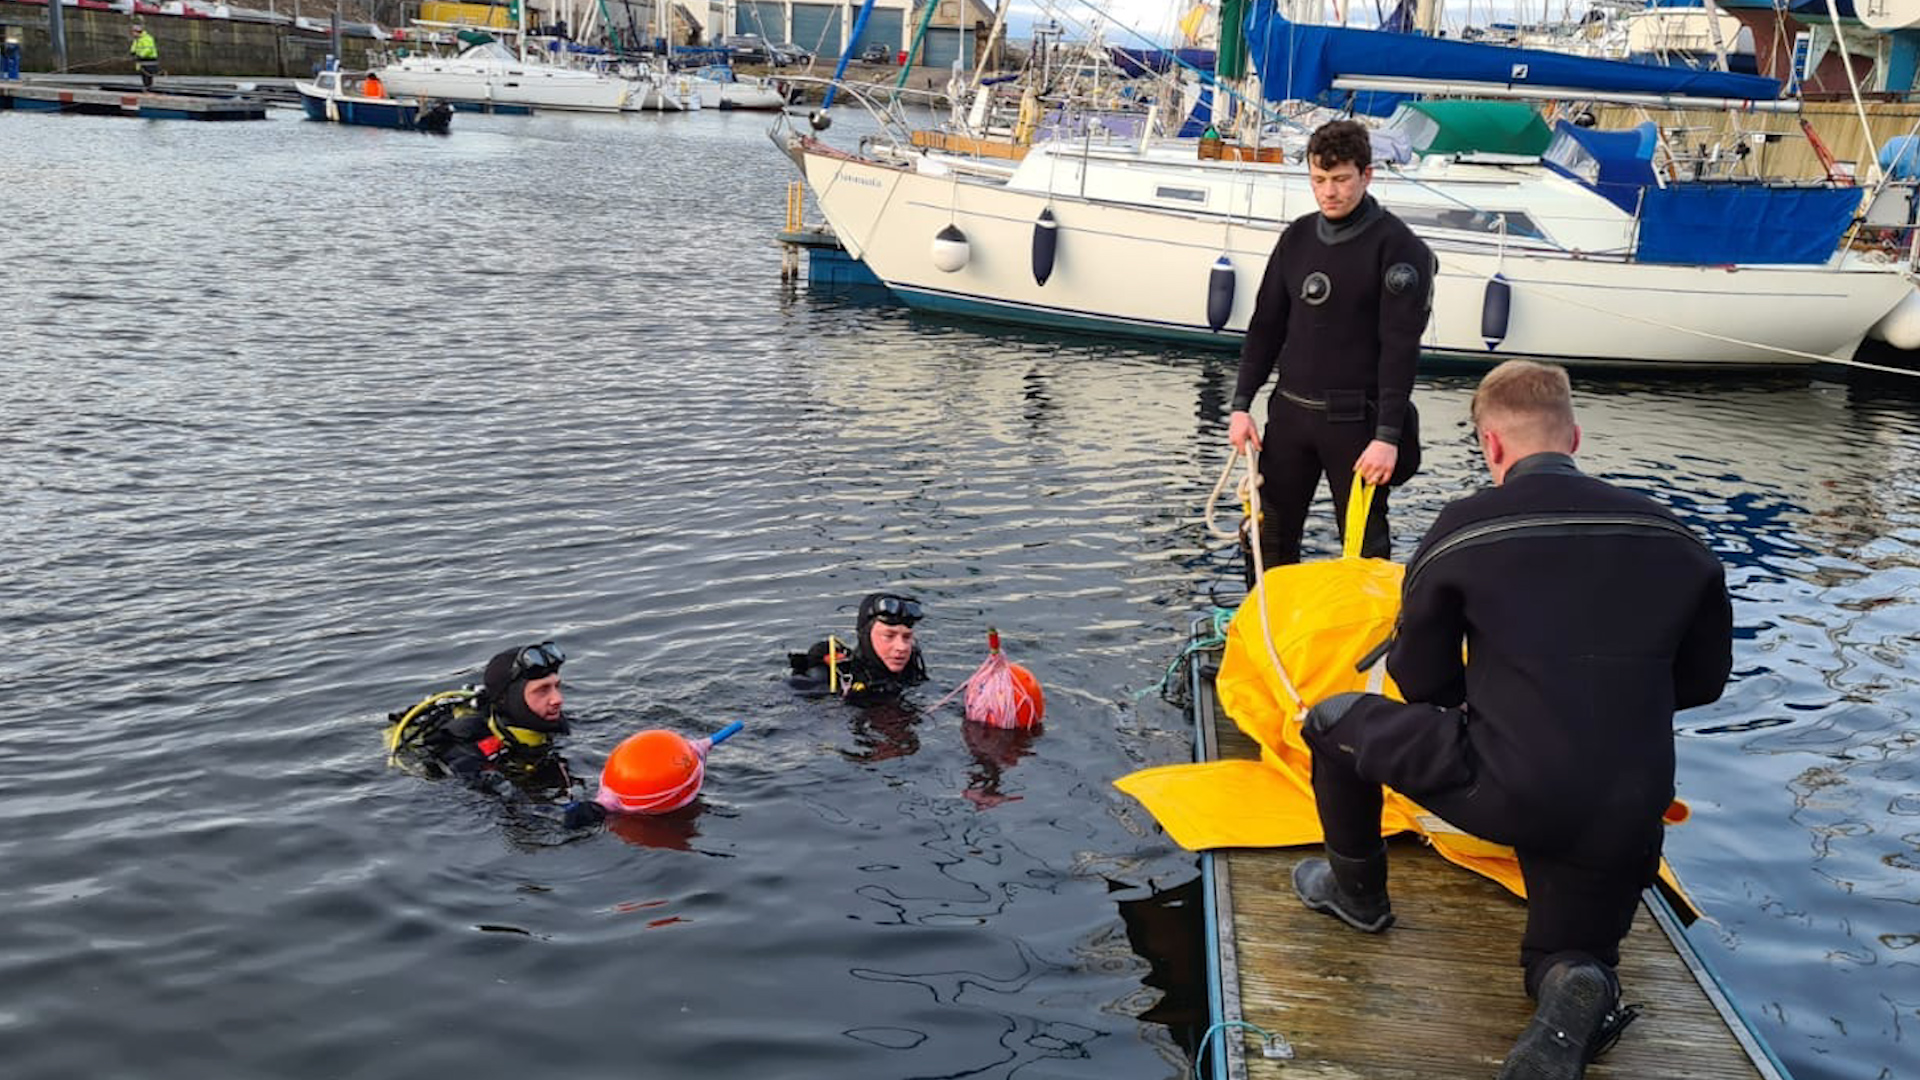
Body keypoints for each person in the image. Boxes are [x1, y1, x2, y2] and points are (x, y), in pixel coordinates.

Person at [1290, 360, 1734, 1080]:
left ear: (1491, 446)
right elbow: (1703, 683)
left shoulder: (1466, 527)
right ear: (1576, 437)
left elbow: (1419, 682)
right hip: (1628, 806)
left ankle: (1357, 894)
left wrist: (1498, 701)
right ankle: (1574, 984)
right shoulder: (1679, 538)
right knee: (1564, 954)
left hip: (1508, 786)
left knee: (1334, 723)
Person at [1227, 119, 1435, 568]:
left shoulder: (1399, 249)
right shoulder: (1297, 238)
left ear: (1367, 175)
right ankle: (1268, 630)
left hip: (1356, 424)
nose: (1329, 192)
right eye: (1319, 180)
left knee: (1364, 549)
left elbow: (1401, 349)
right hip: (1290, 416)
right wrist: (1242, 405)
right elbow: (1265, 326)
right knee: (1269, 538)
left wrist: (1387, 437)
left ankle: (1367, 636)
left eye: (1341, 179)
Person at [386, 640, 602, 825]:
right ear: (509, 699)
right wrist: (563, 816)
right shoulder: (464, 749)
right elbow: (508, 805)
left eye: (557, 686)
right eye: (542, 690)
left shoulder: (549, 724)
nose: (558, 699)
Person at [787, 593, 928, 706]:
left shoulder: (912, 673)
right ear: (865, 636)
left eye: (907, 637)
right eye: (889, 636)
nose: (902, 647)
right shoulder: (823, 682)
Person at [129, 24, 159, 92]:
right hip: (141, 59)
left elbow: (148, 49)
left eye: (133, 32)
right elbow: (134, 46)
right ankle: (146, 87)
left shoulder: (147, 38)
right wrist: (132, 52)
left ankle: (148, 87)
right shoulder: (137, 39)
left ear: (138, 32)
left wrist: (141, 55)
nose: (133, 34)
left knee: (148, 74)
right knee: (143, 74)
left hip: (149, 59)